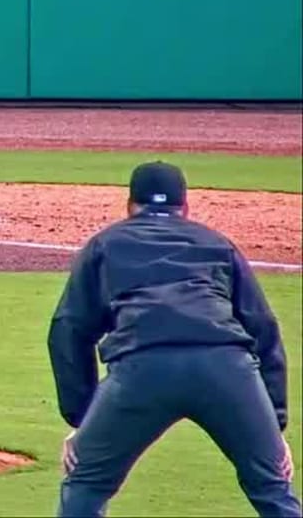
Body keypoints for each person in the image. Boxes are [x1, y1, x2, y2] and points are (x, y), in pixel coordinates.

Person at [49, 161, 299, 517]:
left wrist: (84, 419)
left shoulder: (106, 243)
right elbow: (262, 328)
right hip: (226, 369)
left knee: (87, 483)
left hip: (143, 370)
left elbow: (69, 328)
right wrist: (273, 426)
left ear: (129, 205)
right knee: (272, 486)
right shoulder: (217, 243)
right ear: (185, 206)